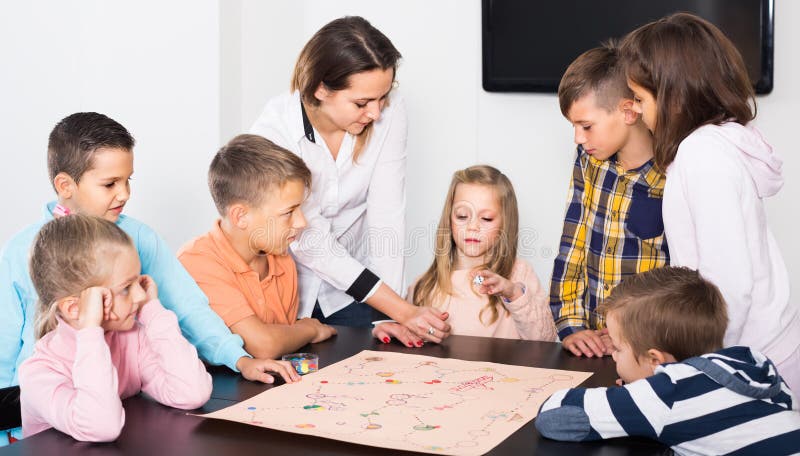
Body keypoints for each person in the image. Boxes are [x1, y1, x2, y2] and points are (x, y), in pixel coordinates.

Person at [0, 113, 296, 445]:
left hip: (113, 409)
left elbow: (188, 307)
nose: (124, 193)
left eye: (128, 180)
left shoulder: (139, 238)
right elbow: (5, 344)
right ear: (65, 185)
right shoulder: (19, 250)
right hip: (40, 419)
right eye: (110, 183)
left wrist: (237, 358)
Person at [620, 12, 799, 390]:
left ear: (674, 97)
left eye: (639, 98)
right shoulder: (714, 144)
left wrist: (696, 377)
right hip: (755, 350)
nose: (635, 111)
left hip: (748, 359)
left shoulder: (704, 155)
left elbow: (727, 286)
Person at [249, 16, 450, 342]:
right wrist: (402, 309)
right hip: (282, 293)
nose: (376, 113)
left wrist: (390, 313)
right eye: (362, 103)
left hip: (354, 293)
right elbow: (309, 240)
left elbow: (388, 214)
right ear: (321, 89)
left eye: (384, 96)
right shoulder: (274, 134)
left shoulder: (390, 112)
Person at [536, 267, 800, 455]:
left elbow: (554, 415)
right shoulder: (756, 365)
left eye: (617, 348)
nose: (613, 355)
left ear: (655, 359)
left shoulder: (666, 396)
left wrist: (636, 393)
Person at [19, 215, 214, 442]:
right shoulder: (39, 373)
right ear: (75, 308)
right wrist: (90, 331)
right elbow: (101, 426)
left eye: (138, 282)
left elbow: (192, 392)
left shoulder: (132, 339)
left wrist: (153, 311)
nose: (140, 296)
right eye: (125, 288)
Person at [550, 43, 669, 358]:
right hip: (592, 346)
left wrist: (630, 335)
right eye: (574, 126)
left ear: (629, 111)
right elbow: (573, 241)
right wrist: (570, 324)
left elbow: (683, 278)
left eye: (586, 126)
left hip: (648, 348)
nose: (578, 137)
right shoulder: (590, 160)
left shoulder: (674, 174)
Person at [179, 134, 336, 359]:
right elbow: (264, 346)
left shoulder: (281, 259)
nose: (302, 222)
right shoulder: (197, 260)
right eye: (289, 212)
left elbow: (284, 339)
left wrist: (296, 332)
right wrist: (310, 328)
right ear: (241, 216)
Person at [374, 166, 556, 344]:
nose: (472, 227)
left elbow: (545, 339)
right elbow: (412, 337)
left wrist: (514, 293)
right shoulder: (425, 284)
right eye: (462, 216)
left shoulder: (518, 274)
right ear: (449, 219)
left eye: (486, 219)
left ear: (505, 223)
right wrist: (393, 330)